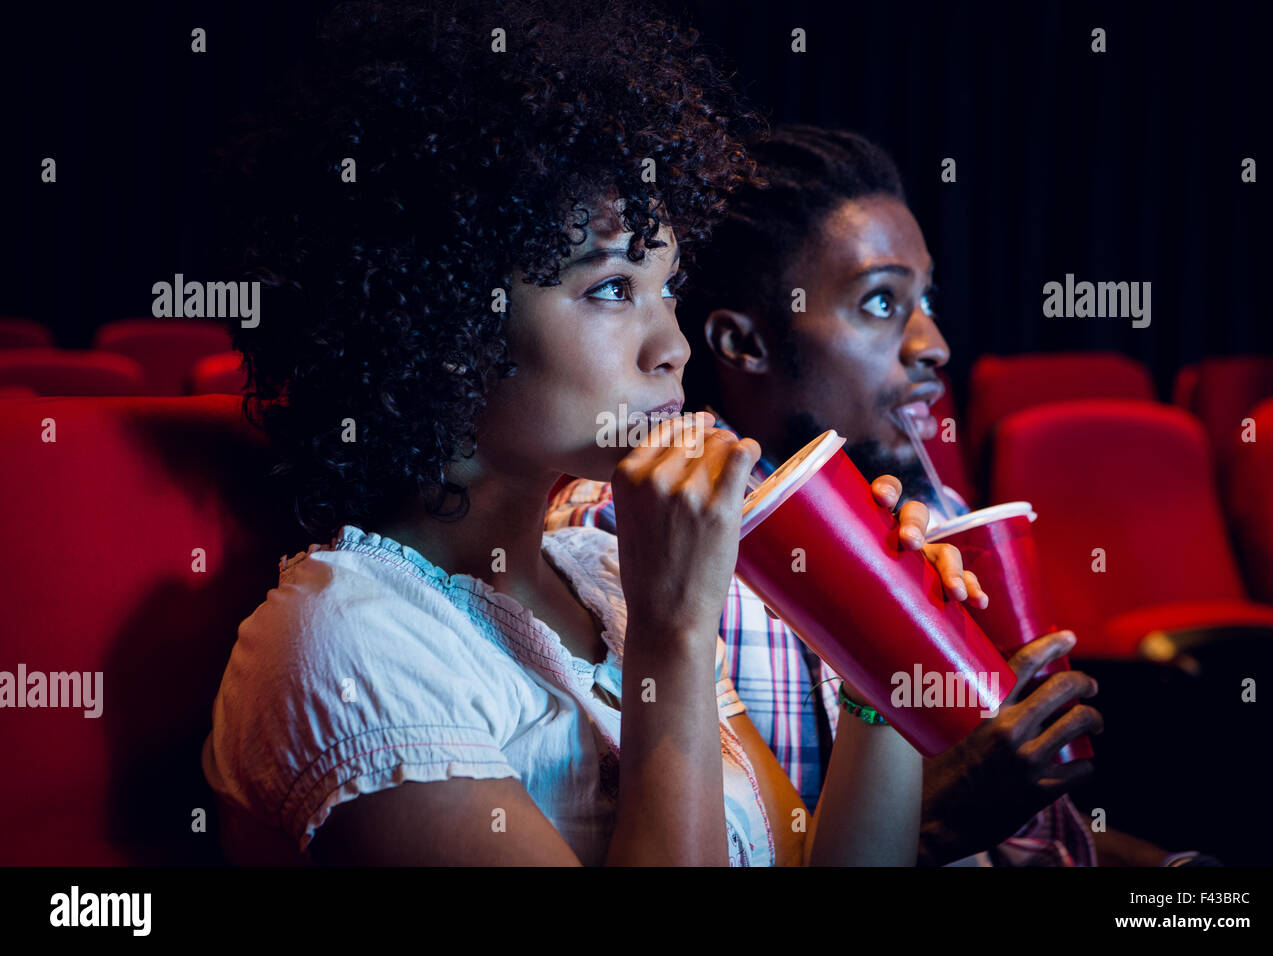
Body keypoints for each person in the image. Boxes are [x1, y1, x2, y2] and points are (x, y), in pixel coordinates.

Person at [199, 2, 983, 867]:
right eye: (612, 289)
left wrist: (873, 668)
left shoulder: (602, 576)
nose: (673, 347)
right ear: (446, 321)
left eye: (669, 289)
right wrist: (673, 637)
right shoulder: (348, 642)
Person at [549, 125, 1203, 866]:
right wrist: (936, 821)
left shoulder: (935, 517)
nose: (932, 344)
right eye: (883, 302)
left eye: (927, 301)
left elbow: (1040, 836)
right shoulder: (637, 532)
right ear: (744, 345)